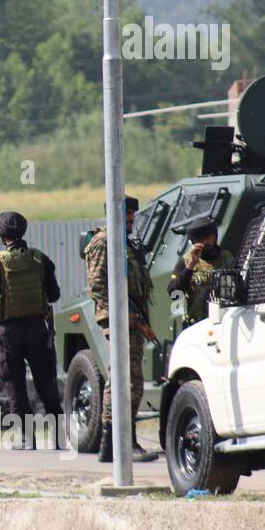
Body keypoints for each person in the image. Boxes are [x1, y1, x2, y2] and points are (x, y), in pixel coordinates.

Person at [0, 211, 63, 450]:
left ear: (1, 234)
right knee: (45, 382)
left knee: (15, 384)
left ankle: (26, 438)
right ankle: (58, 437)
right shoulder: (40, 259)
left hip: (10, 332)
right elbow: (54, 294)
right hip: (38, 328)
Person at [85, 196, 158, 463]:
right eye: (126, 215)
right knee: (124, 380)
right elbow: (96, 285)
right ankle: (120, 442)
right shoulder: (104, 242)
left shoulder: (122, 242)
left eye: (132, 216)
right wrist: (121, 315)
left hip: (131, 317)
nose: (131, 220)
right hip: (119, 319)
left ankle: (114, 445)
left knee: (129, 381)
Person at [168, 219, 236, 328]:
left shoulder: (227, 258)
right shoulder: (186, 261)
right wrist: (190, 266)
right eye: (199, 239)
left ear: (215, 236)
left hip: (226, 321)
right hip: (198, 325)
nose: (205, 242)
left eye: (208, 236)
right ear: (193, 241)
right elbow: (174, 292)